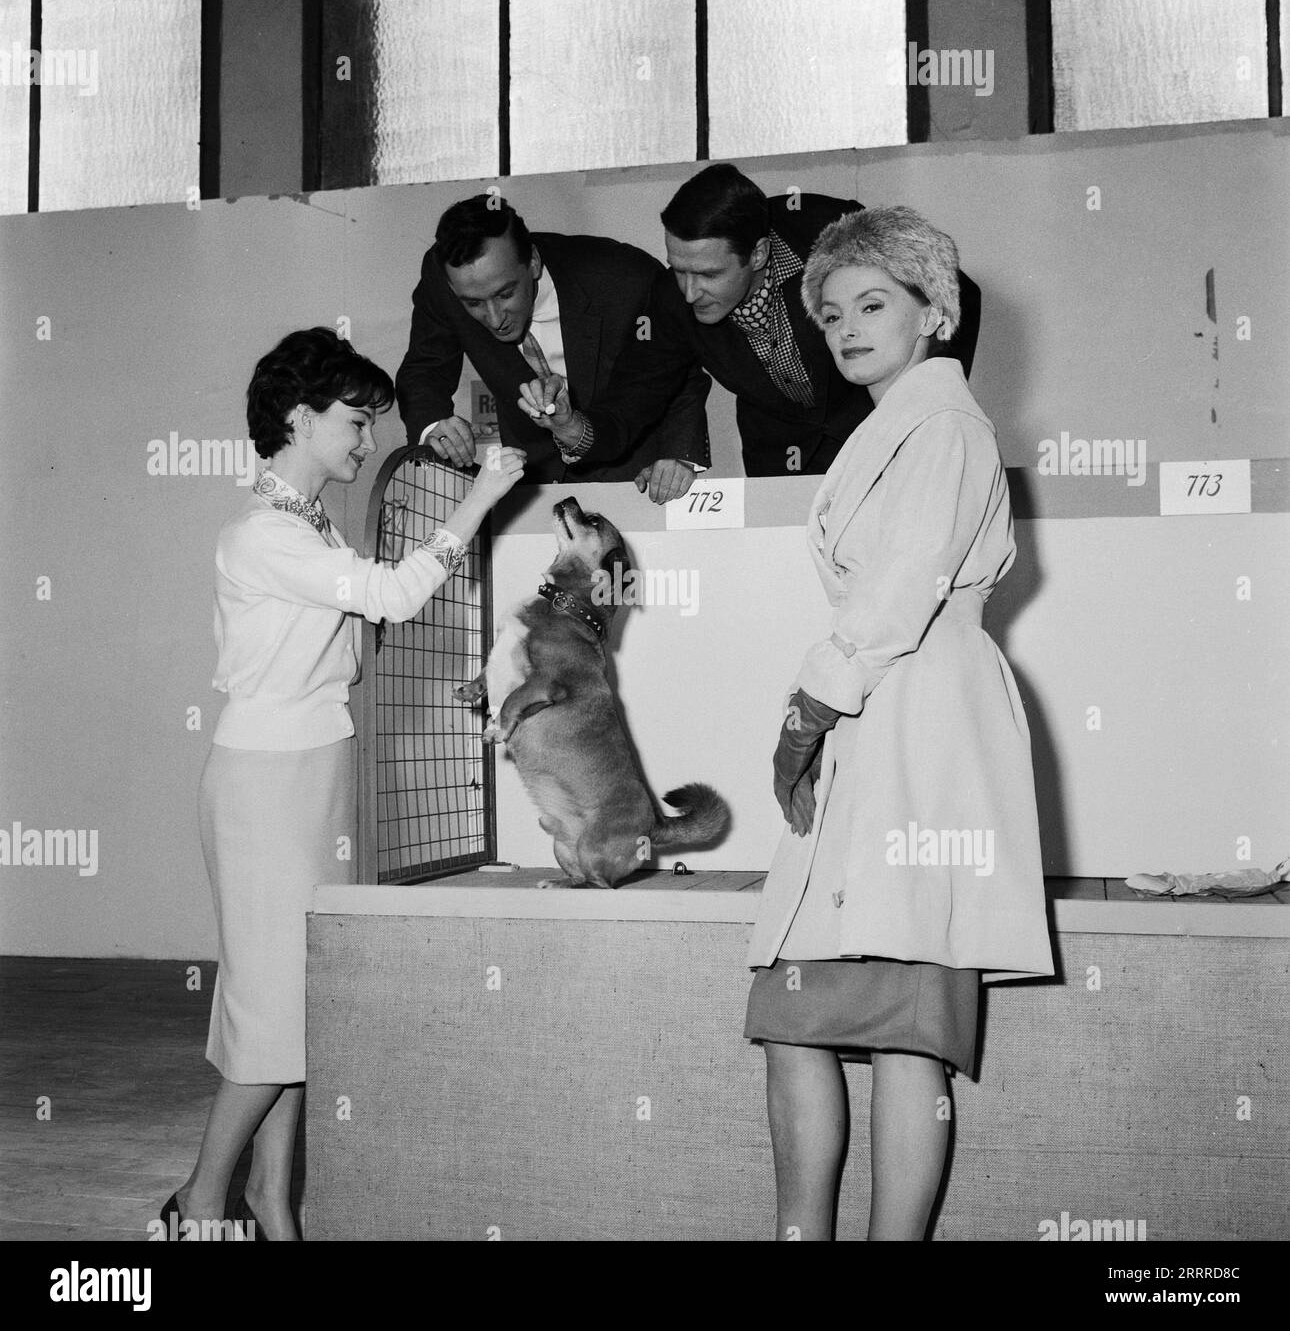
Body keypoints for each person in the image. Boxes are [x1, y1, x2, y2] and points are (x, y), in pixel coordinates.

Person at [162, 327, 524, 1240]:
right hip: (263, 784)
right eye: (355, 421)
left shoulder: (309, 527)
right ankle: (200, 1203)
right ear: (298, 417)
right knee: (274, 1005)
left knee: (298, 1006)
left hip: (315, 767)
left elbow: (356, 653)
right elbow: (396, 597)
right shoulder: (260, 535)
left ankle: (272, 1204)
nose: (367, 441)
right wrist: (479, 492)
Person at [743, 208, 1053, 1241]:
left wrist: (802, 714)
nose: (845, 327)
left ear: (936, 311)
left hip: (921, 722)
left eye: (873, 303)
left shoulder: (950, 426)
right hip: (875, 712)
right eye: (830, 314)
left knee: (911, 1025)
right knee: (799, 1009)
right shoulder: (894, 426)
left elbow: (894, 594)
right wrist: (818, 714)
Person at [515, 163, 980, 478]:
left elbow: (958, 292)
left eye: (709, 273)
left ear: (757, 253)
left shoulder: (829, 229)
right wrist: (570, 425)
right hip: (780, 465)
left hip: (886, 447)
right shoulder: (672, 299)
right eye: (679, 270)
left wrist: (924, 405)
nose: (689, 292)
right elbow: (628, 406)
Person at [395, 194, 711, 502]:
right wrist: (433, 425)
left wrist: (678, 454)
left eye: (505, 294)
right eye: (474, 303)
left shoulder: (625, 276)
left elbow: (678, 371)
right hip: (533, 482)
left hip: (637, 478)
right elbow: (425, 367)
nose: (494, 319)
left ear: (532, 262)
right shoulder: (442, 279)